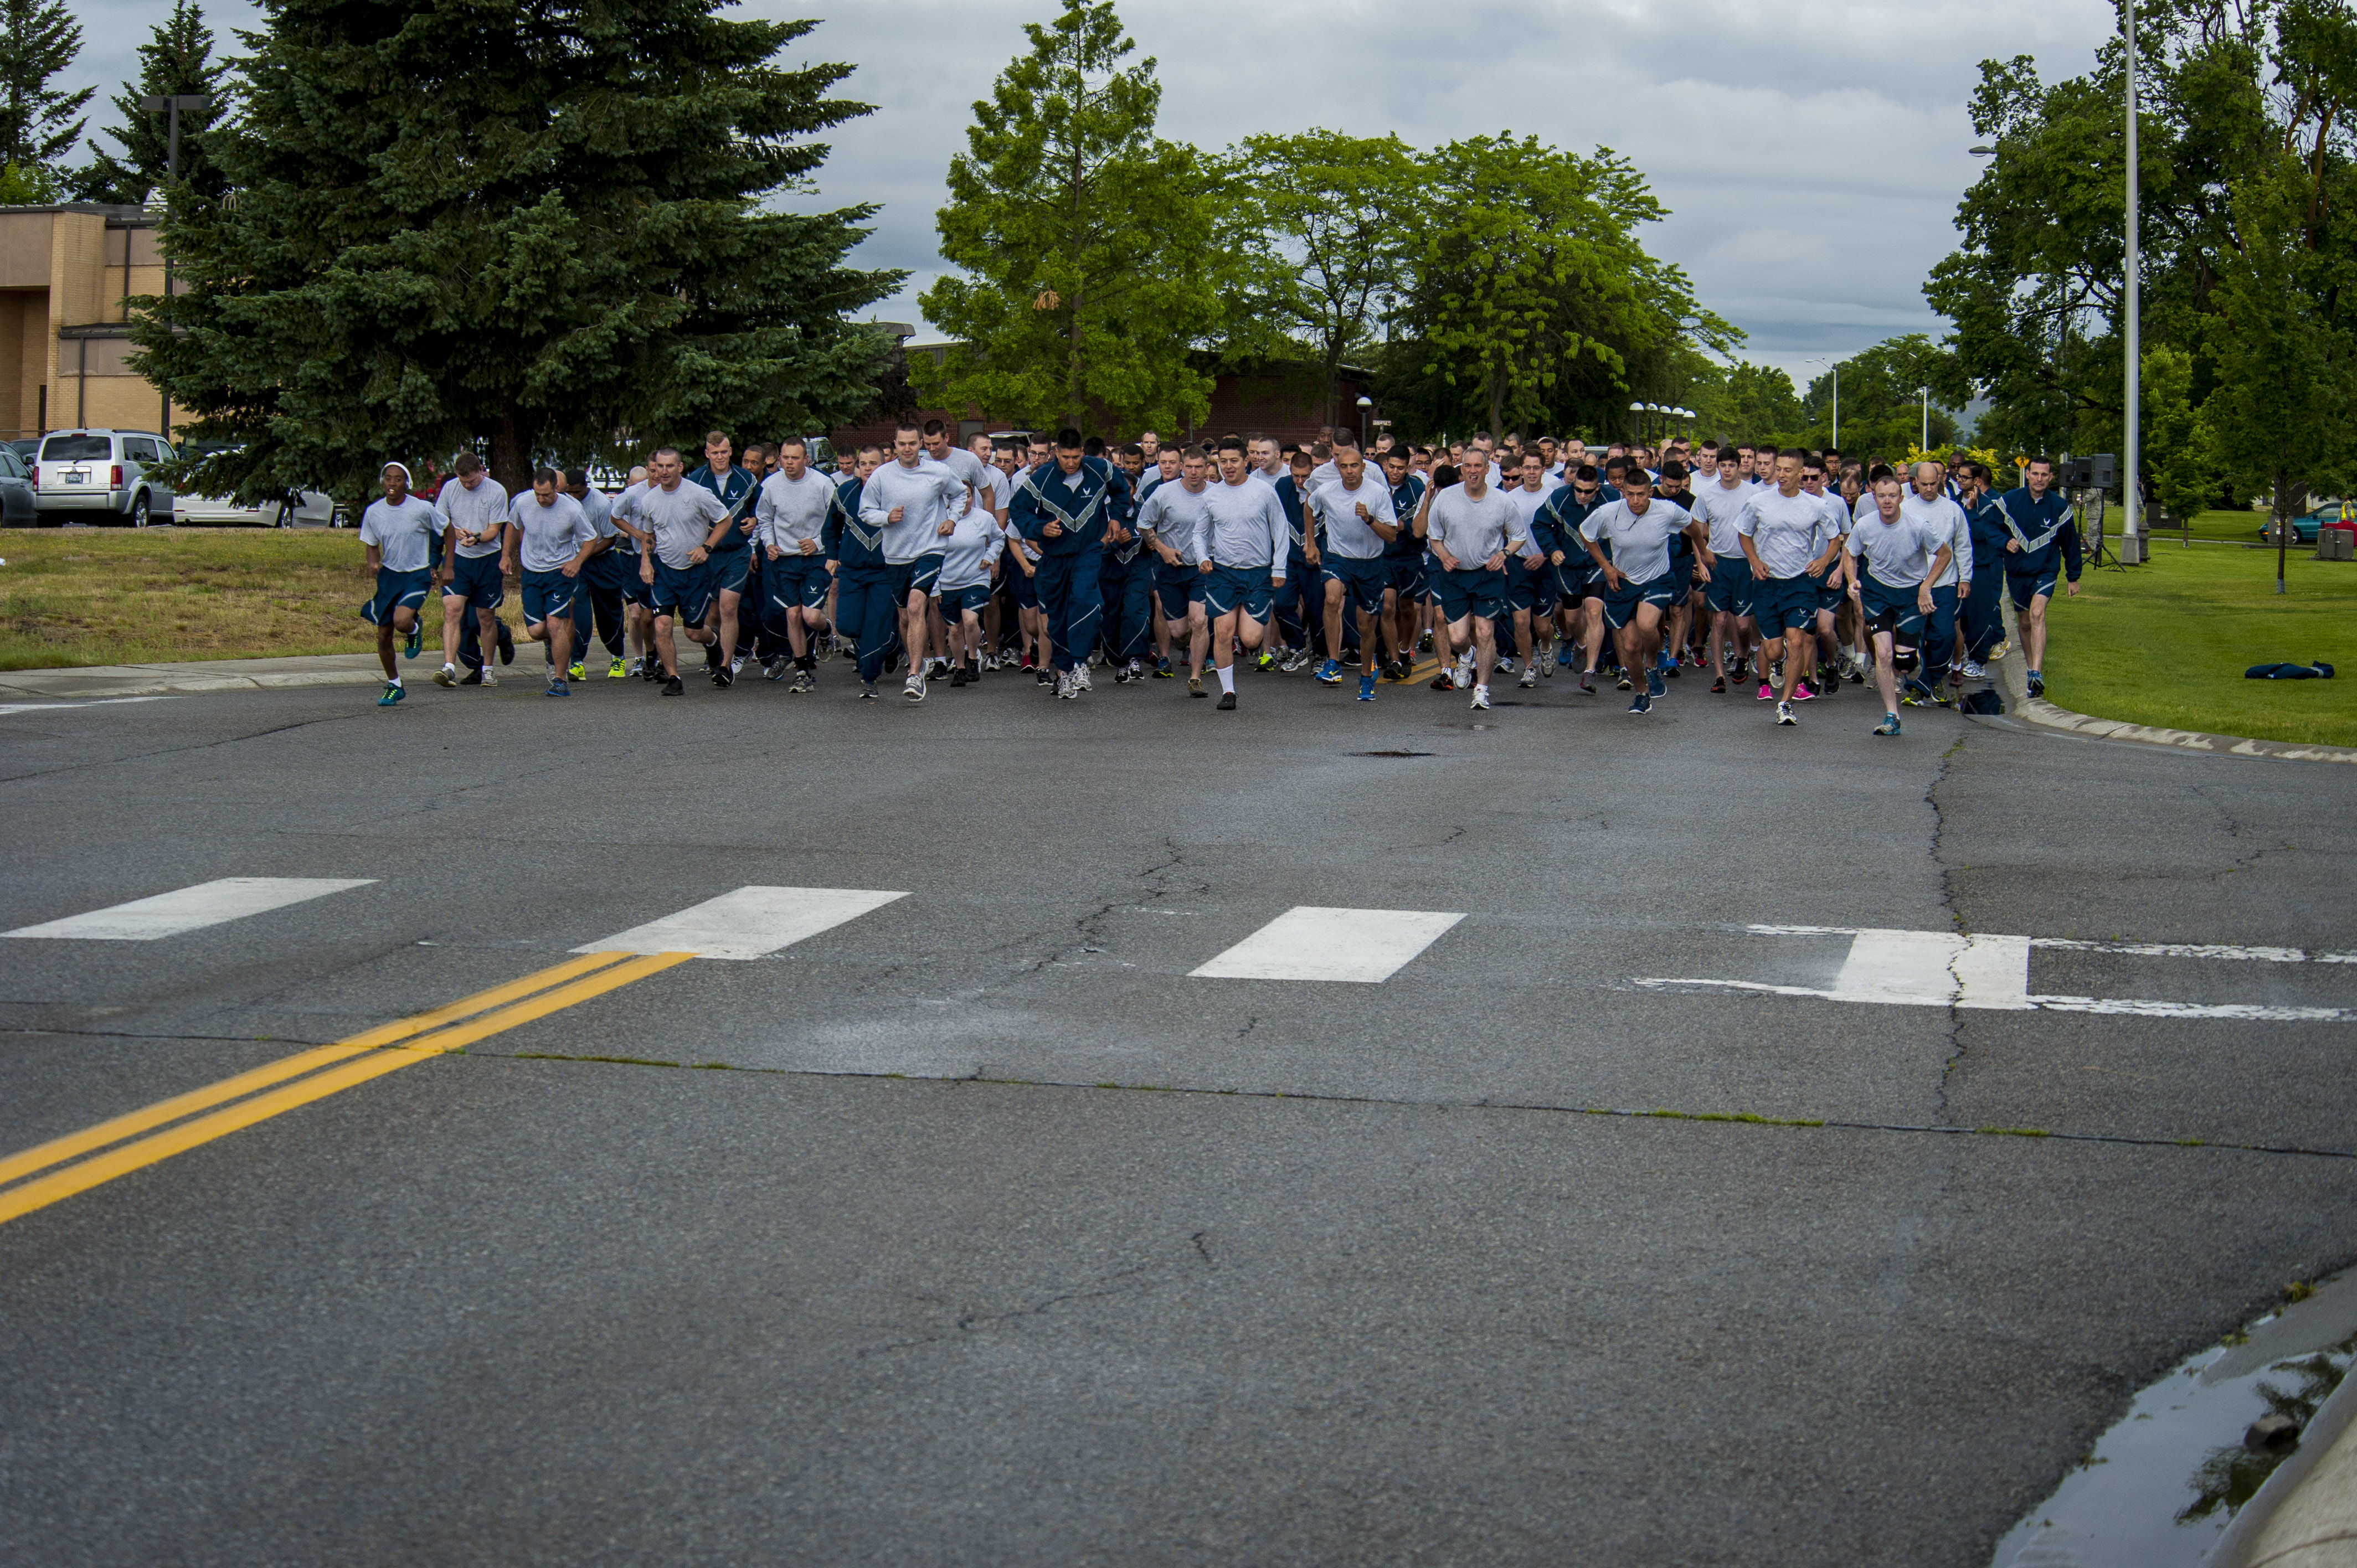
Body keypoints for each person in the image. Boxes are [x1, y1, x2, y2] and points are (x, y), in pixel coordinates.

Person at [1007, 427, 1126, 700]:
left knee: (1087, 601)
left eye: (1076, 457)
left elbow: (1121, 490)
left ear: (1082, 453)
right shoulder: (1041, 478)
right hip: (1055, 557)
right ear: (1055, 454)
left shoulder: (1100, 469)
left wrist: (1116, 516)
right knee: (1056, 619)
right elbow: (1018, 510)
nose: (1071, 463)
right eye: (1065, 457)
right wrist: (1040, 528)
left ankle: (1081, 662)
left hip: (1089, 549)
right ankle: (1064, 672)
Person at [1579, 464, 1706, 716]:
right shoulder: (1608, 512)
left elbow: (1693, 526)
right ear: (1623, 492)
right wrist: (1606, 567)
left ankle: (1653, 664)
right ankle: (1642, 694)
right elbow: (1586, 534)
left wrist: (1703, 551)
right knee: (1629, 648)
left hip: (1658, 579)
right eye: (1630, 494)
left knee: (1648, 625)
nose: (1635, 501)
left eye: (1641, 495)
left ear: (1651, 493)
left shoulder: (1666, 511)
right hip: (1623, 582)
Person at [860, 421, 969, 704]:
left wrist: (952, 519)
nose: (907, 449)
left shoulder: (938, 472)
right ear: (894, 445)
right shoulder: (882, 476)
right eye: (901, 444)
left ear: (920, 444)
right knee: (905, 616)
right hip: (896, 554)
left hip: (930, 548)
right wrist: (886, 517)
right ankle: (915, 661)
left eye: (912, 443)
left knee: (916, 605)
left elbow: (959, 495)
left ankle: (914, 674)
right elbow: (866, 511)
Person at [1737, 450, 1843, 725]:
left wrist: (1824, 560)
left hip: (1800, 582)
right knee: (1773, 651)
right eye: (1779, 469)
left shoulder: (1816, 506)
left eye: (1787, 470)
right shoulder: (1758, 502)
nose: (1781, 475)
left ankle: (1785, 703)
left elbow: (1835, 538)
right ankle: (1779, 661)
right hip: (1767, 582)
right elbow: (1744, 533)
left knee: (1797, 639)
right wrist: (1754, 560)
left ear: (1800, 474)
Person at [1423, 452, 1533, 712]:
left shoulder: (1502, 501)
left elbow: (1519, 536)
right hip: (1455, 575)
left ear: (1487, 470)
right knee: (1459, 638)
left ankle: (1481, 690)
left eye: (1478, 466)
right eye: (1468, 466)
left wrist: (1504, 554)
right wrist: (1444, 556)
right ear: (1462, 471)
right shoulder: (1446, 498)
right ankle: (1466, 655)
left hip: (1488, 574)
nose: (1473, 471)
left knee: (1485, 633)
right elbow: (1434, 537)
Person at [1847, 472, 1954, 736]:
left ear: (1901, 498)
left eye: (1892, 496)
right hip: (1877, 593)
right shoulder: (1865, 525)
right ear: (1874, 497)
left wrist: (1926, 587)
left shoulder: (1918, 525)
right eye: (1881, 496)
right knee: (1883, 654)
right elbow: (1850, 553)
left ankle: (1911, 660)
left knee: (1904, 663)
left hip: (1910, 595)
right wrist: (1852, 580)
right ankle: (1892, 715)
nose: (1887, 501)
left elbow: (1944, 554)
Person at [1191, 435, 1291, 710]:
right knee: (1223, 633)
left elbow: (1281, 532)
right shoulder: (1211, 494)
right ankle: (1228, 692)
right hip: (1223, 573)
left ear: (1246, 461)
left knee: (1250, 638)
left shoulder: (1263, 492)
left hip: (1258, 574)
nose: (1228, 466)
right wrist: (1202, 557)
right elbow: (1199, 533)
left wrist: (1279, 568)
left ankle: (1250, 635)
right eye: (1223, 461)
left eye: (1234, 461)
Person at [635, 446, 733, 697]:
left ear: (680, 467)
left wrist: (707, 547)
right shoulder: (650, 500)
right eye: (660, 467)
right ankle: (674, 677)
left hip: (696, 572)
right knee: (663, 625)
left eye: (670, 466)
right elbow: (648, 533)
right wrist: (646, 562)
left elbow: (725, 520)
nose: (664, 472)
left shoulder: (698, 494)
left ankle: (712, 641)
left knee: (692, 631)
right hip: (665, 573)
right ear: (654, 468)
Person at [1307, 444, 1399, 701]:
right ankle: (1333, 662)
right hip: (1338, 557)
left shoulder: (1377, 493)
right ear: (1338, 468)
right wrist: (1312, 543)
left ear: (1363, 467)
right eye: (1344, 466)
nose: (1349, 471)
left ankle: (1367, 676)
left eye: (1354, 466)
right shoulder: (1327, 491)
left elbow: (1391, 536)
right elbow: (1309, 506)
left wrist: (1369, 519)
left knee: (1366, 626)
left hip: (1369, 563)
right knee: (1332, 598)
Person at [753, 437, 844, 693]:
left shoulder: (823, 484)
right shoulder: (771, 485)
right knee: (792, 614)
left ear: (807, 460)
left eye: (795, 458)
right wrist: (770, 544)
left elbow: (837, 520)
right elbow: (764, 518)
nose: (789, 463)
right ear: (779, 458)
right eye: (785, 457)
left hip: (815, 559)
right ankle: (802, 670)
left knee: (811, 615)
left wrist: (817, 542)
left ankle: (826, 631)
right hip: (785, 559)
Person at [505, 467, 600, 697]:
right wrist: (506, 555)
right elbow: (513, 525)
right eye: (538, 494)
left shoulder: (571, 509)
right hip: (532, 572)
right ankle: (552, 644)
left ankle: (560, 680)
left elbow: (590, 538)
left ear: (556, 488)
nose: (541, 499)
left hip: (561, 573)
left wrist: (577, 562)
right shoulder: (523, 503)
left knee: (556, 624)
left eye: (546, 494)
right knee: (537, 630)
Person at [1995, 456, 2081, 698]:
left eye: (2045, 475)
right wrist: (2004, 542)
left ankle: (2037, 671)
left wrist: (2073, 577)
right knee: (2024, 622)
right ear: (2028, 475)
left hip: (2045, 570)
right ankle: (2031, 673)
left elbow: (2070, 543)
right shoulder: (2010, 501)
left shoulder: (2059, 507)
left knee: (2037, 613)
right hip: (2017, 572)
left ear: (2051, 477)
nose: (2040, 479)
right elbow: (1988, 527)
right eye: (2035, 474)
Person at [358, 462, 437, 707]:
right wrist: (373, 563)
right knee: (383, 636)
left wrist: (448, 566)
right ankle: (394, 684)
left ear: (407, 483)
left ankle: (413, 629)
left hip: (417, 574)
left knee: (401, 621)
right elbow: (371, 543)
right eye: (388, 479)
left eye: (398, 479)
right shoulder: (374, 512)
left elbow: (447, 530)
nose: (392, 483)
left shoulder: (422, 508)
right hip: (390, 576)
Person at [431, 453, 510, 689]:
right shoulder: (449, 489)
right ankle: (449, 667)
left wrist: (476, 537)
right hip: (459, 560)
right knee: (452, 610)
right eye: (463, 481)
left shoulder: (496, 491)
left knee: (485, 617)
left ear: (481, 472)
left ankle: (487, 669)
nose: (467, 485)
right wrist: (457, 533)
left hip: (487, 559)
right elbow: (441, 523)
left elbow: (494, 530)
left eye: (472, 482)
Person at [685, 432, 758, 679]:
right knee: (713, 612)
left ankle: (726, 667)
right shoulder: (695, 480)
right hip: (708, 555)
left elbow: (760, 508)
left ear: (730, 451)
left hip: (736, 553)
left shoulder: (746, 478)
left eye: (724, 452)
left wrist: (754, 520)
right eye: (714, 453)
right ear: (707, 453)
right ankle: (713, 654)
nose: (720, 457)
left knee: (729, 608)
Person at [1902, 460, 1972, 705]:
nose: (1929, 488)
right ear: (1915, 483)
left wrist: (1965, 578)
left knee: (1943, 635)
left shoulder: (1953, 510)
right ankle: (1916, 687)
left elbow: (1962, 545)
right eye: (1924, 484)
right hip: (1913, 582)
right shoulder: (1906, 509)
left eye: (1934, 483)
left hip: (1946, 583)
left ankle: (1936, 677)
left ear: (1940, 481)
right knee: (1913, 636)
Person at [1690, 445, 1758, 693]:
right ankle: (1719, 675)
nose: (1727, 470)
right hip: (1718, 562)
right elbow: (1695, 531)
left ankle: (1743, 655)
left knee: (1742, 625)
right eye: (1723, 465)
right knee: (1718, 620)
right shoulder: (1707, 496)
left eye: (1732, 465)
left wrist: (1756, 561)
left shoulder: (1754, 494)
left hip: (1744, 563)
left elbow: (1761, 530)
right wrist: (1700, 562)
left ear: (1740, 467)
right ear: (1717, 467)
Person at [563, 469, 630, 680]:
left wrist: (583, 556)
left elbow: (610, 539)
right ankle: (577, 662)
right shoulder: (563, 502)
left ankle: (618, 656)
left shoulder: (601, 504)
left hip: (603, 561)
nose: (573, 496)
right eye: (569, 492)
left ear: (586, 486)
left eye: (576, 492)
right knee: (578, 611)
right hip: (577, 565)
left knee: (609, 614)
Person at [1958, 461, 2009, 677]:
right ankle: (1959, 655)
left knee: (1979, 615)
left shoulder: (1990, 505)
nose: (1959, 480)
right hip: (1959, 566)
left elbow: (1981, 535)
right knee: (1961, 617)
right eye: (1958, 476)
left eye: (1964, 478)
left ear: (1977, 481)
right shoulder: (1954, 502)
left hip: (1982, 566)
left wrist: (1971, 511)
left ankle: (1978, 660)